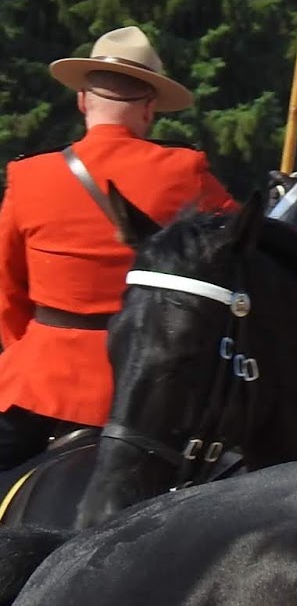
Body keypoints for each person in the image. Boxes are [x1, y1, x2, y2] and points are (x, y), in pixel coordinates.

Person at [0, 27, 237, 467]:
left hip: (39, 383)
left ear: (82, 101)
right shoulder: (185, 171)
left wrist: (28, 353)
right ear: (149, 109)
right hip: (149, 387)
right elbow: (243, 250)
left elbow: (7, 290)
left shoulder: (29, 175)